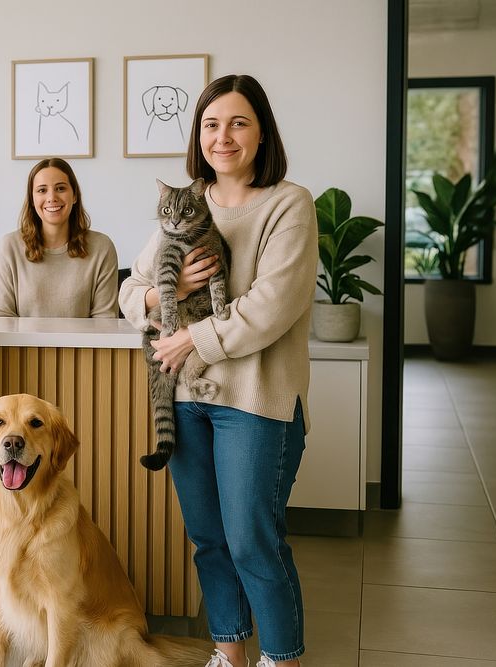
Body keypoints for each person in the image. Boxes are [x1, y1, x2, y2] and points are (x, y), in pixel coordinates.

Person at [119, 74, 317, 667]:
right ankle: (228, 654)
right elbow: (132, 292)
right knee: (209, 541)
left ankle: (282, 658)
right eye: (210, 124)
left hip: (257, 402)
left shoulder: (289, 204)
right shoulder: (185, 206)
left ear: (262, 133)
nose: (222, 136)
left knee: (253, 542)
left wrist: (190, 341)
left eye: (237, 122)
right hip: (186, 400)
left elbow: (271, 305)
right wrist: (164, 294)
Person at [0, 157, 119, 318]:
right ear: (32, 199)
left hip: (82, 344)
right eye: (42, 190)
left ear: (74, 196)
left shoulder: (102, 247)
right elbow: (2, 319)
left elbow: (104, 321)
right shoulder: (9, 246)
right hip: (23, 344)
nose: (51, 197)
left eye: (60, 188)